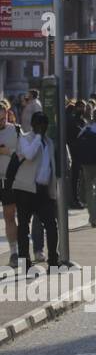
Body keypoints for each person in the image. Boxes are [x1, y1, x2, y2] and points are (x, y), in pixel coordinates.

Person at [13, 111, 59, 268]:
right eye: (39, 125)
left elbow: (50, 167)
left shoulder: (49, 142)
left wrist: (52, 191)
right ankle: (24, 261)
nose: (42, 128)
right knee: (24, 226)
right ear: (33, 125)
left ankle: (53, 260)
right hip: (25, 189)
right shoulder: (24, 138)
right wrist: (37, 137)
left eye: (45, 125)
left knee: (51, 225)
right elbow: (29, 155)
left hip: (42, 190)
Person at [0, 100, 20, 267]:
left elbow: (22, 153)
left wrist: (7, 151)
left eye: (3, 117)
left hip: (8, 179)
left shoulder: (15, 130)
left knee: (9, 215)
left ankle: (14, 252)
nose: (1, 121)